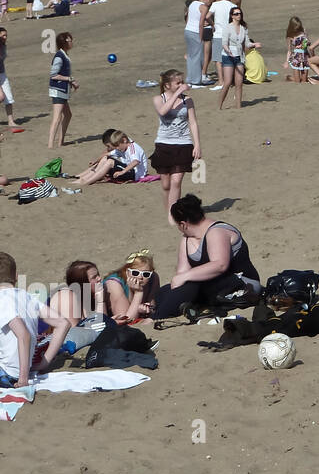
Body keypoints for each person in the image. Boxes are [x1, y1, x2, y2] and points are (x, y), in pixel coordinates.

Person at [153, 195, 260, 319]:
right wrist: (180, 280)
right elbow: (182, 272)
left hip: (242, 283)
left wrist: (185, 276)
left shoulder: (216, 232)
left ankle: (157, 317)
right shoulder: (187, 239)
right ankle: (151, 311)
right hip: (214, 284)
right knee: (165, 291)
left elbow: (220, 265)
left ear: (183, 224)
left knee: (191, 285)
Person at [0, 251, 73, 389]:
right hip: (23, 368)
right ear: (16, 276)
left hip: (8, 374)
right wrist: (44, 362)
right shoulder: (27, 297)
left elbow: (23, 335)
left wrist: (23, 379)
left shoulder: (2, 300)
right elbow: (63, 323)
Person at [151, 70, 201, 224]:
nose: (181, 84)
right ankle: (169, 211)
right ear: (167, 85)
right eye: (177, 83)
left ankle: (173, 216)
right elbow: (163, 111)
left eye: (181, 82)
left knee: (176, 182)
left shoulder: (188, 101)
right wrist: (178, 92)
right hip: (164, 144)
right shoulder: (158, 99)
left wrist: (197, 144)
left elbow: (192, 122)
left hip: (183, 144)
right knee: (166, 185)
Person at [216, 6, 259, 109]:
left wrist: (254, 45)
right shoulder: (228, 27)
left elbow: (247, 43)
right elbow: (224, 43)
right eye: (236, 14)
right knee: (227, 82)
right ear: (232, 16)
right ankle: (219, 106)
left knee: (239, 83)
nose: (238, 15)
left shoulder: (243, 28)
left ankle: (238, 106)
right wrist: (228, 51)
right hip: (228, 57)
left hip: (240, 56)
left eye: (239, 13)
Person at [71, 128, 147, 185]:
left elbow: (136, 161)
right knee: (105, 158)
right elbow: (107, 154)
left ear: (124, 140)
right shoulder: (122, 145)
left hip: (135, 174)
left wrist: (122, 171)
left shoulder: (132, 148)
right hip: (128, 169)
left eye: (117, 146)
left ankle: (87, 182)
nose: (116, 148)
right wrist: (96, 161)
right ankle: (85, 178)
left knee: (110, 162)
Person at [103, 251, 160, 323]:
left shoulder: (153, 277)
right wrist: (138, 293)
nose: (140, 277)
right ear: (127, 272)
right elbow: (126, 320)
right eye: (135, 273)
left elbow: (153, 307)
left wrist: (145, 309)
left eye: (146, 274)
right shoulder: (114, 284)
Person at [48, 31, 76, 149]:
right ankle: (50, 144)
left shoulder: (64, 55)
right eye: (70, 40)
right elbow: (53, 74)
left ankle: (61, 141)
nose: (72, 42)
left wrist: (71, 82)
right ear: (65, 42)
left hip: (62, 90)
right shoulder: (60, 56)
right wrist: (69, 79)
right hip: (58, 89)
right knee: (57, 117)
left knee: (68, 115)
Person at [285, 17, 310, 83]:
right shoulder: (290, 36)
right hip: (296, 58)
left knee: (304, 81)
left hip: (305, 56)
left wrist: (307, 43)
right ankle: (290, 78)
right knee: (298, 81)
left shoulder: (304, 31)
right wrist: (287, 61)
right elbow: (289, 50)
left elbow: (308, 42)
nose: (297, 28)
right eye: (296, 26)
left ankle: (290, 77)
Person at [0, 26, 16, 130]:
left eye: (6, 35)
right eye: (2, 35)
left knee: (8, 97)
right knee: (1, 96)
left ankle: (11, 121)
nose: (5, 37)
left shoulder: (3, 46)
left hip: (2, 73)